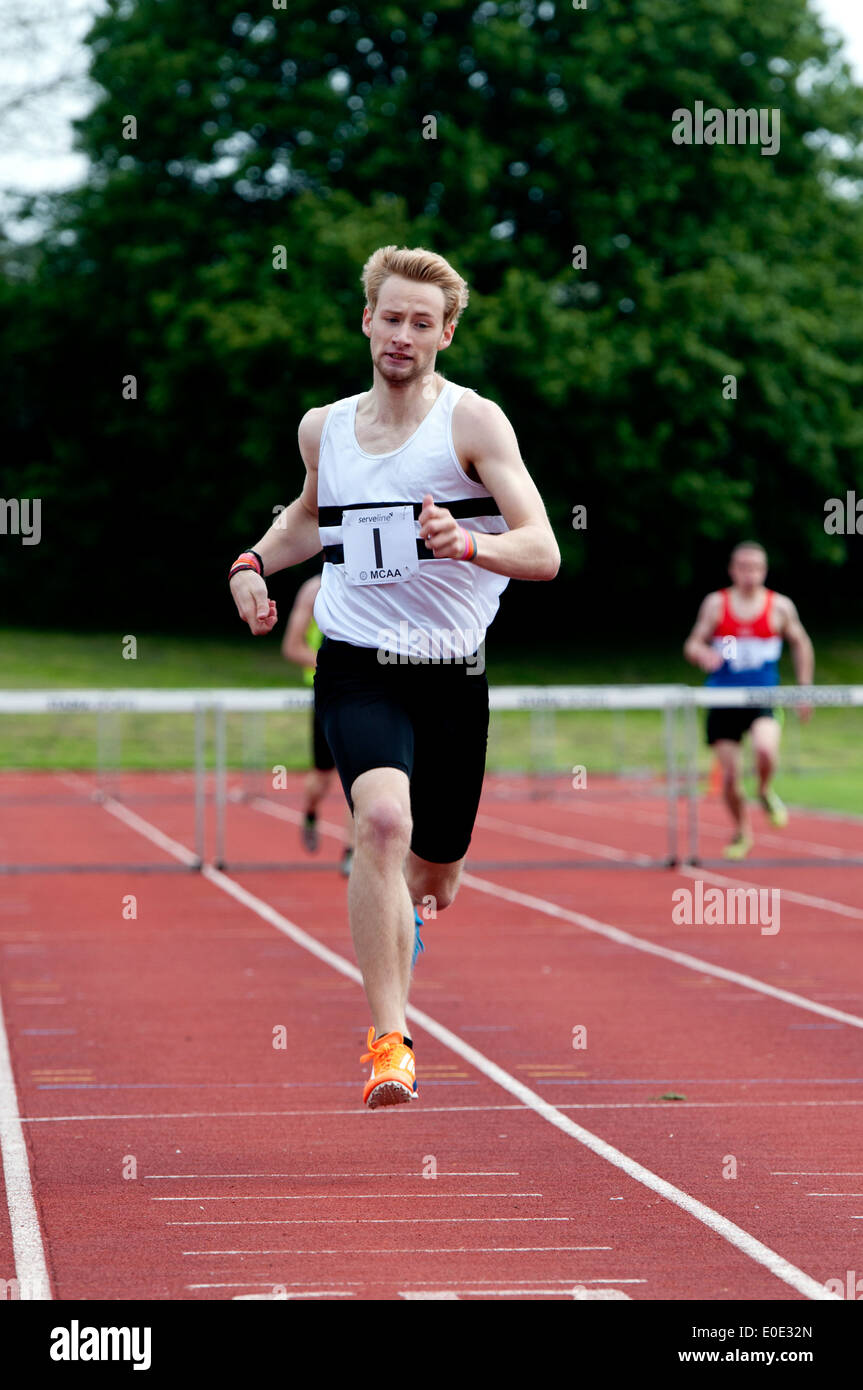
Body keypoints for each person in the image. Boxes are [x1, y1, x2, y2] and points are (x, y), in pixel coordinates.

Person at [229, 245, 559, 1107]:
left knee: (435, 874)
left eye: (422, 322)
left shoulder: (473, 424)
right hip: (357, 665)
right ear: (365, 320)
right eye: (391, 317)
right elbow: (308, 516)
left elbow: (544, 550)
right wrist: (253, 563)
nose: (402, 335)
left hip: (452, 673)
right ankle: (389, 1041)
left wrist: (471, 543)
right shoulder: (323, 427)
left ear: (446, 334)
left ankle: (409, 908)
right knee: (379, 822)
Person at [683, 541, 814, 859]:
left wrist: (805, 688)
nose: (749, 574)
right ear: (732, 569)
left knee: (765, 750)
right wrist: (703, 654)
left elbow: (802, 643)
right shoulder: (716, 604)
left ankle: (765, 790)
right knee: (729, 778)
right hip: (724, 699)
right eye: (743, 567)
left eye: (755, 567)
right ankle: (742, 829)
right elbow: (692, 644)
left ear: (765, 570)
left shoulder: (780, 607)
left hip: (762, 697)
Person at [281, 573, 354, 875]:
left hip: (369, 696)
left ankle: (353, 852)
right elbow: (292, 647)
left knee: (365, 778)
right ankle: (310, 812)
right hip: (327, 694)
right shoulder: (313, 590)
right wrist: (335, 664)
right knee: (322, 778)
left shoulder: (374, 581)